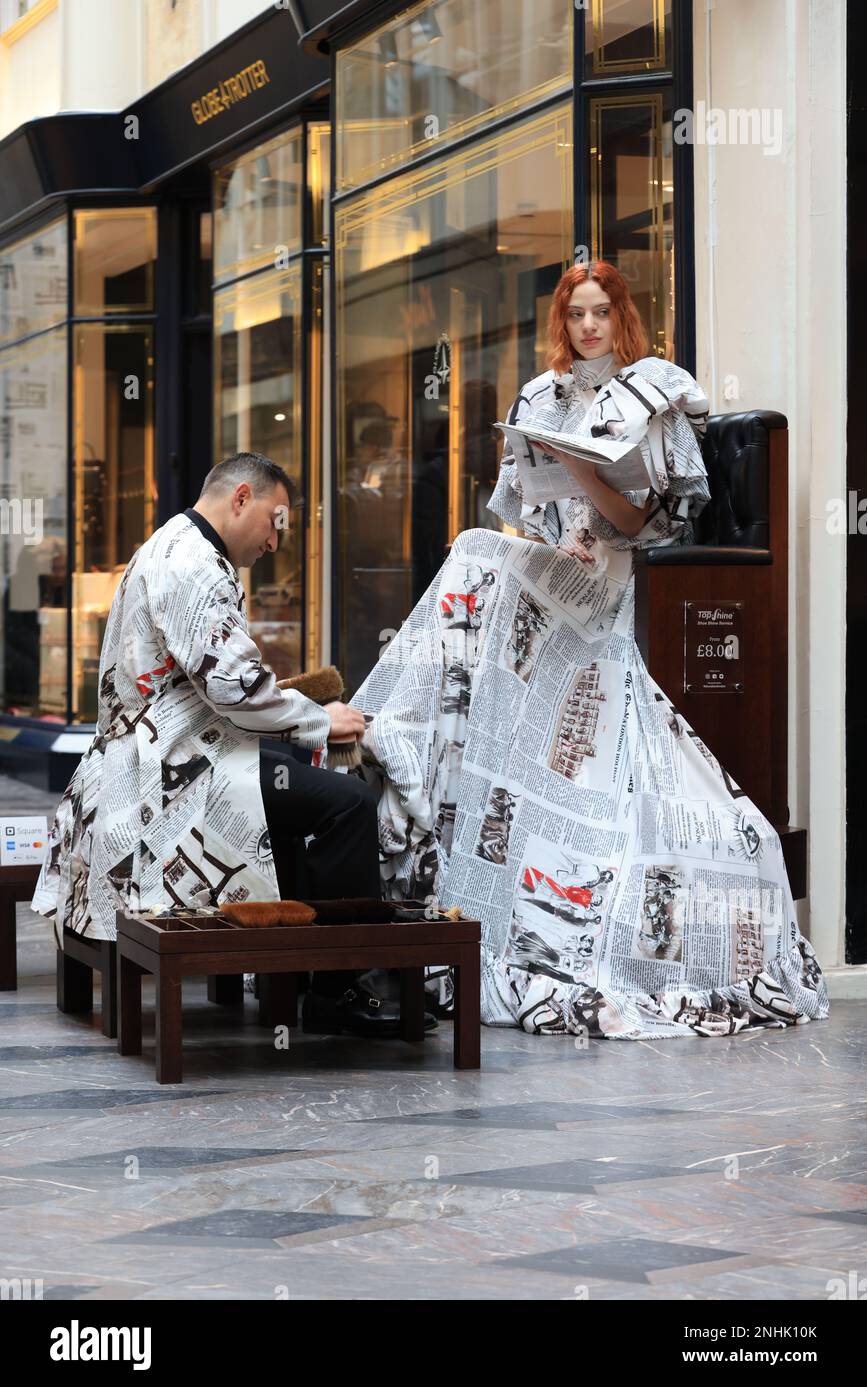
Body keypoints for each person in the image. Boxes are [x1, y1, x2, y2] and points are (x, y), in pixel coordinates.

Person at [335, 261, 830, 1041]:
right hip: (551, 570)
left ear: (620, 316)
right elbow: (524, 507)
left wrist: (578, 475)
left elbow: (641, 526)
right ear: (561, 322)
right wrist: (550, 525)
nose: (589, 327)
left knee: (470, 554)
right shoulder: (536, 395)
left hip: (611, 580)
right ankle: (395, 737)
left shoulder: (653, 392)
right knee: (475, 547)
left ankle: (377, 726)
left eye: (601, 312)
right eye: (576, 315)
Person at [31, 452, 433, 1038]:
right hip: (171, 769)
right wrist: (322, 720)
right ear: (240, 498)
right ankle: (335, 989)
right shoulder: (195, 565)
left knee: (298, 780)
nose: (276, 541)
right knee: (348, 803)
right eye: (276, 521)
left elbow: (213, 680)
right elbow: (234, 687)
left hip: (158, 752)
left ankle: (294, 971)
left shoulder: (169, 541)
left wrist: (295, 715)